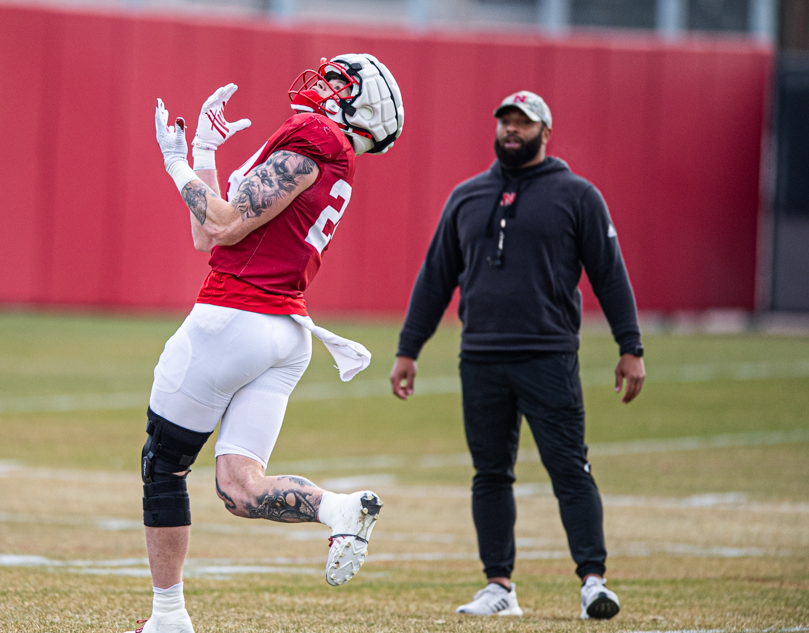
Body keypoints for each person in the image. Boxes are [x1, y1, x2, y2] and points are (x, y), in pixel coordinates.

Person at [131, 54, 404, 633]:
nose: (323, 83)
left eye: (339, 82)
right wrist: (204, 153)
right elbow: (208, 234)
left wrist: (174, 163)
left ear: (358, 106)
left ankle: (168, 618)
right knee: (240, 488)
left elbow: (226, 224)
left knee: (163, 466)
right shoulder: (329, 152)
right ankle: (338, 509)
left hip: (235, 318)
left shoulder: (318, 136)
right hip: (285, 333)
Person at [389, 91, 645, 621]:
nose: (511, 130)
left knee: (569, 469)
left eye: (522, 123)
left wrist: (630, 346)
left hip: (548, 356)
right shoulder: (466, 196)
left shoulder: (578, 196)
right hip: (480, 357)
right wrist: (408, 349)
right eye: (505, 121)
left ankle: (593, 582)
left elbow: (609, 274)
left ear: (544, 132)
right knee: (490, 473)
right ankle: (498, 587)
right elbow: (435, 278)